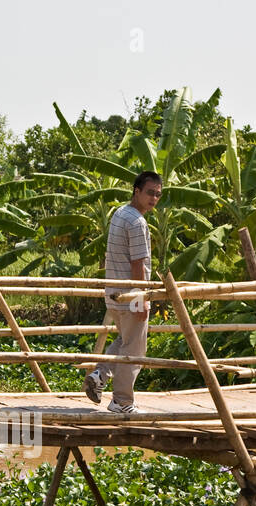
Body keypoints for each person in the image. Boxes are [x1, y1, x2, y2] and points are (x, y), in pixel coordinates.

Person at [85, 171, 162, 414]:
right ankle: (121, 400)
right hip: (130, 296)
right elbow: (137, 264)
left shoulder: (121, 212)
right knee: (135, 351)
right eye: (150, 192)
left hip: (114, 294)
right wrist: (140, 298)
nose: (154, 198)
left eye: (158, 194)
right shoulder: (137, 222)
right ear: (136, 191)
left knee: (125, 341)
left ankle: (100, 374)